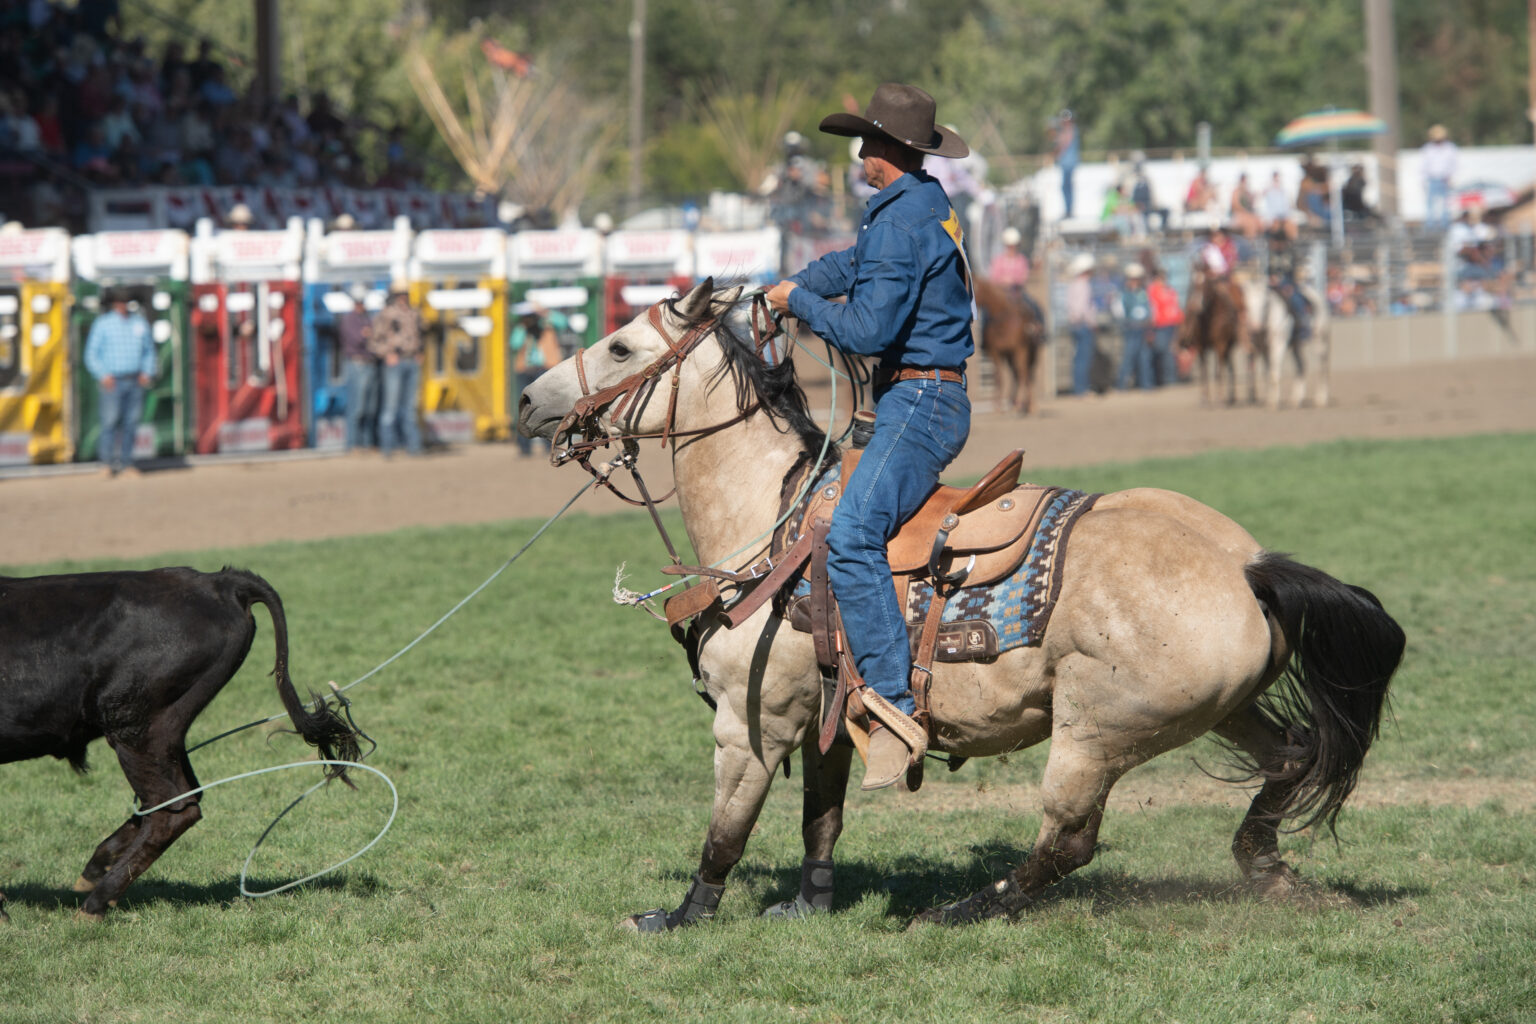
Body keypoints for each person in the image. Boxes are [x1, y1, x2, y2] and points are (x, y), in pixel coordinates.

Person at [765, 82, 972, 792]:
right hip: (927, 395)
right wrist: (788, 286)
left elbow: (867, 330)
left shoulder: (899, 220)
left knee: (852, 534)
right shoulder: (920, 206)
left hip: (919, 401)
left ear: (886, 150)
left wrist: (802, 306)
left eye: (866, 143)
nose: (858, 154)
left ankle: (893, 709)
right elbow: (850, 269)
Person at [84, 287, 157, 477]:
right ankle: (106, 463)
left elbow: (149, 350)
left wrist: (146, 371)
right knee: (109, 422)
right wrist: (103, 374)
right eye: (120, 301)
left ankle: (127, 463)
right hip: (113, 381)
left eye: (125, 301)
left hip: (134, 379)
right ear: (114, 303)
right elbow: (91, 353)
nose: (123, 305)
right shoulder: (104, 324)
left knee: (131, 423)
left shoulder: (139, 323)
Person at [371, 285, 424, 457]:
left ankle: (413, 446)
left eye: (405, 294)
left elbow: (421, 335)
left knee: (410, 408)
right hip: (396, 362)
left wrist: (419, 352)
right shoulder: (386, 315)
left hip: (411, 361)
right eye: (400, 294)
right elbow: (374, 341)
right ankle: (387, 447)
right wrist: (387, 353)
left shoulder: (413, 314)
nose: (403, 297)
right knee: (390, 407)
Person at [509, 301, 566, 457]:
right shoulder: (522, 328)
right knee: (524, 409)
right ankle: (524, 448)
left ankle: (549, 445)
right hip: (524, 370)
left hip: (545, 368)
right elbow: (514, 343)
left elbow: (563, 322)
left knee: (547, 408)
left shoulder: (548, 325)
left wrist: (543, 312)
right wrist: (523, 326)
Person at [336, 284, 378, 450]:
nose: (361, 304)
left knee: (370, 407)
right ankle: (353, 444)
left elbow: (373, 335)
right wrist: (368, 334)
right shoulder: (349, 319)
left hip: (370, 364)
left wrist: (369, 334)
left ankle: (367, 443)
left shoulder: (367, 318)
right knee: (357, 407)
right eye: (358, 301)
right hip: (356, 364)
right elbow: (358, 339)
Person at [985, 226, 1043, 324]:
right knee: (986, 312)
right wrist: (1005, 282)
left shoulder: (1022, 260)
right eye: (1009, 246)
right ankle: (984, 335)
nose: (1012, 248)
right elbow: (993, 278)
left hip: (1017, 294)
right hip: (1000, 294)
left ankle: (1039, 331)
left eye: (1014, 245)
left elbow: (1023, 278)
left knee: (1034, 307)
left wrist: (1011, 280)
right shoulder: (998, 260)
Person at [1115, 263, 1153, 390]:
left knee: (1144, 357)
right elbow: (1119, 312)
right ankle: (1122, 385)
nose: (1134, 282)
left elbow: (1150, 309)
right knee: (1128, 358)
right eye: (1132, 279)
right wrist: (1126, 323)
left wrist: (1149, 324)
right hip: (1131, 329)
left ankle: (1146, 384)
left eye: (1137, 279)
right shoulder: (1123, 295)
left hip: (1143, 328)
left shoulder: (1143, 293)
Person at [1065, 253, 1097, 395]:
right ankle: (1082, 389)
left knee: (1078, 357)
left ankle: (1079, 388)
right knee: (1084, 357)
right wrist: (1091, 322)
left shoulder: (1073, 284)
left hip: (1074, 324)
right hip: (1083, 324)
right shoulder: (1084, 285)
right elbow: (1084, 307)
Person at [1146, 264, 1184, 386]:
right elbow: (1151, 310)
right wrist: (1150, 328)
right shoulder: (1152, 290)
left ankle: (1170, 379)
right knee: (1162, 352)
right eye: (1160, 277)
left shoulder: (1170, 290)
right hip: (1160, 326)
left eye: (1164, 277)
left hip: (1172, 325)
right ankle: (1163, 379)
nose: (1163, 279)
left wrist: (1180, 321)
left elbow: (1176, 307)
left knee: (1170, 353)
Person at [1421, 124, 1457, 231]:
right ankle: (1430, 226)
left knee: (1446, 204)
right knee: (1430, 204)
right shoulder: (1428, 149)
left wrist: (1452, 177)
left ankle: (1445, 225)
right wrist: (1423, 180)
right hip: (1432, 179)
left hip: (1445, 179)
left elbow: (1454, 164)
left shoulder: (1450, 148)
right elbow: (1423, 166)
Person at [1053, 108, 1080, 219]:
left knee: (1066, 187)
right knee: (1066, 187)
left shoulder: (1069, 130)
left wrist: (1056, 152)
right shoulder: (1071, 129)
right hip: (1068, 162)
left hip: (1068, 163)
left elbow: (1063, 144)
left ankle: (1069, 211)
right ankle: (1068, 210)